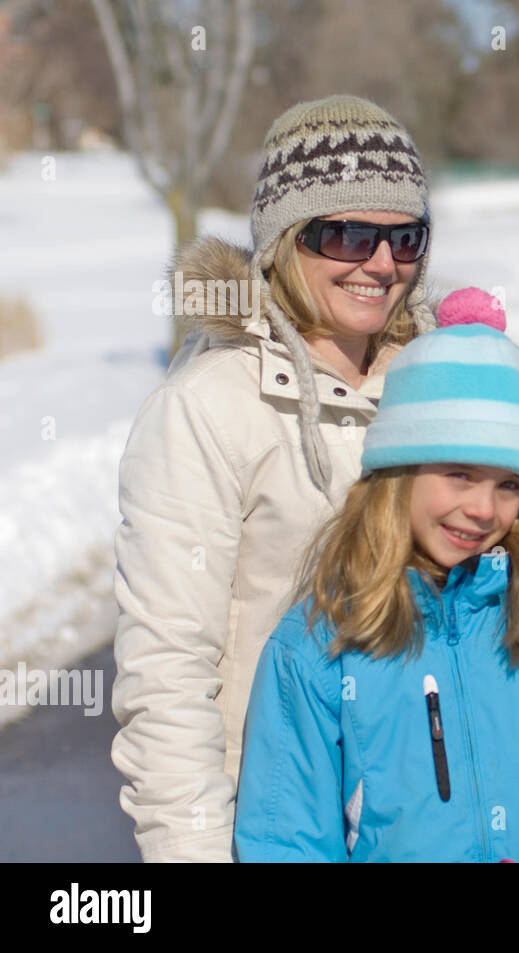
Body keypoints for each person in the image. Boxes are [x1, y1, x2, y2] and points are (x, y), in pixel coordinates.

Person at [111, 95, 437, 862]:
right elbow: (165, 670)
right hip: (273, 826)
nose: (382, 263)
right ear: (288, 240)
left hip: (421, 817)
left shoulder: (436, 384)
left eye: (405, 237)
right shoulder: (209, 404)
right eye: (349, 234)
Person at [233, 294, 519, 862]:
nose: (483, 509)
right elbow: (286, 843)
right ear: (397, 472)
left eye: (508, 484)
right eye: (459, 474)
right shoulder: (320, 642)